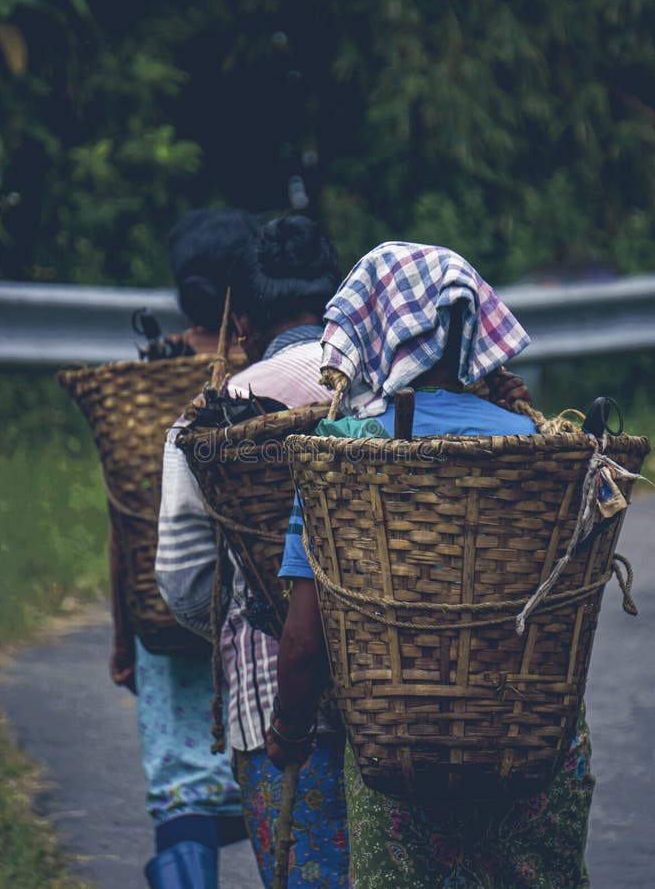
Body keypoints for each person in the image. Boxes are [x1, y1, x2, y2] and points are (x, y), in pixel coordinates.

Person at [270, 242, 595, 888]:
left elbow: (305, 642)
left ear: (374, 333)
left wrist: (289, 731)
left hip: (400, 760)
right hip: (532, 749)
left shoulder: (340, 460)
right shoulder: (542, 448)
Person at [155, 214, 351, 887]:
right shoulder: (388, 395)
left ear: (241, 327)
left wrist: (239, 615)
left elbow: (183, 584)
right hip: (395, 701)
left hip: (269, 707)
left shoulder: (208, 419)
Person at [110, 207, 258, 889]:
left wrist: (122, 635)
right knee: (266, 781)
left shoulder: (143, 384)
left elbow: (126, 518)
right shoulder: (271, 377)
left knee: (181, 791)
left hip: (165, 605)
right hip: (256, 611)